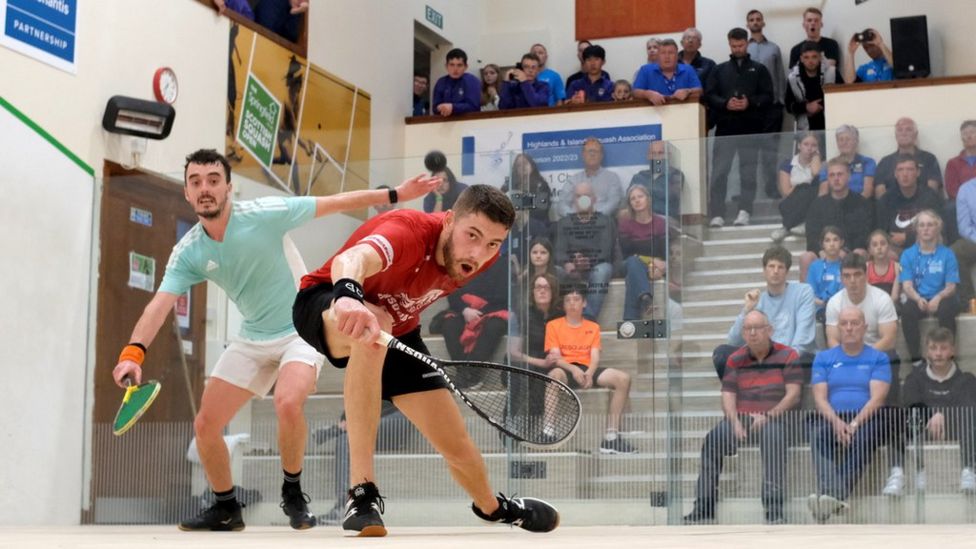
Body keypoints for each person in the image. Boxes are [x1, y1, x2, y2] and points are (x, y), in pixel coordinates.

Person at [111, 149, 438, 532]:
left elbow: (333, 202)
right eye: (196, 181)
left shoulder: (263, 214)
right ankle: (226, 507)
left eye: (213, 180)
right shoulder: (188, 253)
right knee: (205, 425)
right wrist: (133, 353)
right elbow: (159, 304)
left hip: (299, 332)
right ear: (186, 192)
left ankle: (293, 493)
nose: (205, 188)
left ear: (228, 188)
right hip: (251, 337)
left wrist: (395, 194)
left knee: (287, 402)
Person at [292, 184, 559, 536]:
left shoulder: (482, 258)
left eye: (492, 243)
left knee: (458, 445)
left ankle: (494, 508)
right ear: (449, 221)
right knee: (374, 332)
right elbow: (350, 260)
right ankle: (361, 494)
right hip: (326, 301)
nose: (479, 252)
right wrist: (347, 298)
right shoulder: (408, 231)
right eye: (472, 235)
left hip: (399, 331)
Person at [684, 310, 803, 525]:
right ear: (743, 333)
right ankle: (703, 507)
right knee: (712, 440)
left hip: (776, 418)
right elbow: (727, 394)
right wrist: (734, 421)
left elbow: (793, 395)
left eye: (758, 328)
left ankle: (773, 509)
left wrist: (768, 415)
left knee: (773, 436)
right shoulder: (735, 358)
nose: (753, 333)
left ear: (770, 330)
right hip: (744, 418)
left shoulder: (788, 355)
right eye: (748, 329)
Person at [808, 307, 890, 523]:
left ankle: (832, 496)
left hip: (867, 418)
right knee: (818, 435)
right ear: (837, 328)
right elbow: (819, 399)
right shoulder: (824, 358)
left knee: (864, 438)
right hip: (832, 417)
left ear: (865, 327)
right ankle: (834, 495)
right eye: (844, 323)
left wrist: (853, 425)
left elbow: (877, 399)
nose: (849, 327)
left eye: (854, 323)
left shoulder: (879, 358)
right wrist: (836, 422)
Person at [544, 285, 636, 454]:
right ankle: (549, 432)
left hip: (588, 368)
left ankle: (611, 437)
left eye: (576, 299)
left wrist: (589, 373)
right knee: (553, 375)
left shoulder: (592, 327)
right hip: (566, 368)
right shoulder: (553, 325)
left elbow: (594, 356)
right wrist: (573, 370)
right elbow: (556, 357)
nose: (572, 304)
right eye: (568, 300)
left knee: (623, 379)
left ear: (584, 303)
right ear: (563, 305)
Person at [887, 328, 976, 495]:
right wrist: (931, 415)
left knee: (971, 416)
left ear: (952, 350)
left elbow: (969, 406)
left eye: (943, 348)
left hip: (958, 428)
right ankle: (897, 473)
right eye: (934, 348)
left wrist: (943, 416)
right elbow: (910, 403)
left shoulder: (967, 379)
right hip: (921, 428)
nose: (938, 353)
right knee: (897, 417)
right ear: (927, 351)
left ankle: (969, 471)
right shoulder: (915, 378)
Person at [712, 246, 816, 379]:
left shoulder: (803, 292)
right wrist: (747, 310)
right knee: (722, 353)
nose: (776, 271)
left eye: (780, 267)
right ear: (764, 270)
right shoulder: (758, 300)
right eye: (771, 266)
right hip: (764, 359)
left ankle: (763, 378)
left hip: (792, 359)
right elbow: (733, 341)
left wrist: (778, 362)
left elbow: (803, 341)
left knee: (807, 360)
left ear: (787, 271)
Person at [705, 27, 774, 228]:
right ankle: (717, 213)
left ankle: (745, 211)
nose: (737, 49)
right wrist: (725, 103)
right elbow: (710, 95)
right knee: (719, 172)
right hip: (725, 128)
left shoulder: (759, 69)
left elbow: (768, 96)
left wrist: (749, 103)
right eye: (734, 46)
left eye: (741, 45)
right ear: (729, 44)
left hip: (751, 128)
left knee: (748, 172)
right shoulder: (719, 70)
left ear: (747, 43)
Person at [825, 253, 899, 402]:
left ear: (866, 275)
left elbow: (889, 340)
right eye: (847, 276)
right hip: (845, 355)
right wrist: (849, 358)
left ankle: (890, 417)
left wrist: (863, 358)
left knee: (891, 358)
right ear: (841, 278)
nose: (852, 281)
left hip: (875, 353)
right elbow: (832, 340)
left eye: (857, 274)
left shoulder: (882, 299)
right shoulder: (834, 302)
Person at [899, 209, 961, 365]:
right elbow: (906, 285)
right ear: (917, 230)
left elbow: (951, 286)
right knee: (907, 311)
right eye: (922, 225)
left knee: (947, 309)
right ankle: (916, 360)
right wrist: (918, 298)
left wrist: (938, 297)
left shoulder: (947, 254)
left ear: (937, 228)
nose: (926, 229)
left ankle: (948, 357)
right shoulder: (907, 254)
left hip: (943, 296)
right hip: (918, 296)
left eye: (930, 225)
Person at [553, 181, 621, 320]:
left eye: (587, 196)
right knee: (554, 271)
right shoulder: (563, 223)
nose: (583, 200)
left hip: (596, 268)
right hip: (571, 270)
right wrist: (568, 263)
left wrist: (588, 262)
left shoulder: (606, 221)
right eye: (578, 196)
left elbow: (606, 251)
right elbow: (559, 251)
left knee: (603, 269)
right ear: (574, 200)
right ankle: (557, 319)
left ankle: (587, 318)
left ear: (594, 199)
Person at [800, 158, 872, 280]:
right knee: (806, 257)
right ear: (827, 178)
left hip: (851, 252)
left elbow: (865, 235)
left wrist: (845, 251)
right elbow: (811, 235)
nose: (836, 178)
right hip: (824, 252)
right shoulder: (817, 205)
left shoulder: (862, 204)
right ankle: (806, 298)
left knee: (860, 253)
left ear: (849, 176)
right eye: (832, 175)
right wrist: (822, 251)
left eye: (840, 174)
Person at [438, 258, 510, 371]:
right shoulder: (462, 261)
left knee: (494, 327)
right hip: (463, 310)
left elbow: (504, 296)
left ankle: (472, 373)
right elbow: (451, 290)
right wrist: (465, 310)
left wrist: (481, 314)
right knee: (449, 326)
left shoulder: (502, 263)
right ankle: (463, 372)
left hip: (492, 312)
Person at [507, 272, 562, 420]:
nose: (542, 291)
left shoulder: (561, 315)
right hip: (522, 363)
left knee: (542, 378)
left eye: (546, 287)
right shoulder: (520, 315)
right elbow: (513, 353)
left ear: (553, 291)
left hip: (548, 364)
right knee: (525, 373)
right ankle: (509, 425)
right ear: (532, 291)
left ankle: (534, 428)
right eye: (538, 287)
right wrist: (540, 362)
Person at [746, 9, 787, 198]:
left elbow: (780, 76)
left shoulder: (774, 48)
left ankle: (772, 188)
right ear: (748, 24)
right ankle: (749, 192)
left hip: (772, 106)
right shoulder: (743, 48)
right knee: (750, 152)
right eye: (751, 20)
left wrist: (780, 102)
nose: (755, 22)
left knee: (771, 150)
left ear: (763, 23)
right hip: (750, 108)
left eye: (758, 19)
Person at [875, 156, 944, 255]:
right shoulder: (886, 199)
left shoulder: (930, 197)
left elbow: (938, 229)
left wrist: (907, 238)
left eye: (910, 169)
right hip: (895, 249)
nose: (905, 174)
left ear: (918, 172)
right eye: (900, 170)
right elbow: (881, 232)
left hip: (925, 245)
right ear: (895, 174)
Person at [619, 184, 669, 320]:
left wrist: (658, 267)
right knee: (633, 262)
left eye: (640, 196)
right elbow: (627, 255)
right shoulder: (625, 224)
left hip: (649, 268)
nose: (637, 200)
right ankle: (646, 297)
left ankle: (631, 319)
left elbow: (665, 254)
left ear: (648, 199)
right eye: (633, 198)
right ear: (630, 204)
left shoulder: (660, 223)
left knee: (632, 278)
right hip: (628, 263)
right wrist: (652, 261)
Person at [874, 118, 943, 199]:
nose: (904, 133)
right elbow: (880, 193)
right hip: (892, 208)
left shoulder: (929, 159)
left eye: (908, 130)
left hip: (923, 207)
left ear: (916, 134)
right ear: (896, 135)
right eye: (900, 130)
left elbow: (932, 190)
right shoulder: (885, 162)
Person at [556, 137, 624, 218]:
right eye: (589, 151)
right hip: (575, 225)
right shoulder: (573, 180)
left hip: (602, 223)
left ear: (601, 155)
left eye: (595, 151)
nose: (592, 154)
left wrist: (593, 217)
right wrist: (574, 217)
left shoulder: (612, 178)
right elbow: (561, 204)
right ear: (583, 155)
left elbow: (613, 203)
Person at [772, 132, 821, 242]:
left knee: (814, 187)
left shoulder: (821, 164)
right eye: (806, 144)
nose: (809, 148)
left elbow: (816, 173)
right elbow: (786, 192)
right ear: (799, 146)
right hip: (791, 203)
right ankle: (794, 226)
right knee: (804, 188)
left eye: (814, 145)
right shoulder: (787, 164)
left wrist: (816, 157)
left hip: (812, 206)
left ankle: (786, 227)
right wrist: (802, 186)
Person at [785, 42, 838, 133]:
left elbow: (841, 99)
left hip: (830, 125)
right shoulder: (792, 78)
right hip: (805, 128)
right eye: (806, 57)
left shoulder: (832, 72)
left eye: (814, 57)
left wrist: (820, 106)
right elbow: (789, 106)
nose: (810, 61)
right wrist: (806, 107)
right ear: (801, 59)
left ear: (820, 57)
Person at [632, 38, 702, 106]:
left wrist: (688, 91)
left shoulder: (688, 69)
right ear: (658, 56)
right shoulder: (645, 70)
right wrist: (648, 94)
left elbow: (699, 90)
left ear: (677, 56)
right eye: (663, 53)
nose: (667, 57)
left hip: (683, 112)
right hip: (654, 113)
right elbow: (635, 92)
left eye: (671, 53)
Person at [628, 140, 684, 220]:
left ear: (668, 155)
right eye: (653, 153)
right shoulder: (639, 176)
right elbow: (629, 197)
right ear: (648, 156)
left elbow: (670, 195)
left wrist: (643, 191)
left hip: (665, 220)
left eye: (660, 153)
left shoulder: (676, 174)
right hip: (641, 219)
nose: (656, 156)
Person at [816, 125, 875, 199]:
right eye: (841, 140)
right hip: (835, 205)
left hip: (860, 205)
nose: (844, 142)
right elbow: (823, 192)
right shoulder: (829, 165)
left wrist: (855, 206)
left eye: (848, 139)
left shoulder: (867, 162)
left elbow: (868, 191)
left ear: (856, 141)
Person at [502, 152, 552, 226]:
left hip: (536, 226)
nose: (523, 167)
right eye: (519, 165)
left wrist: (521, 211)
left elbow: (542, 209)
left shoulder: (541, 185)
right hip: (513, 226)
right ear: (516, 170)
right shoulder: (509, 185)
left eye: (525, 163)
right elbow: (499, 203)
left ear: (531, 166)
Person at [807, 226, 845, 319]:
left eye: (835, 240)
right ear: (822, 244)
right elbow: (810, 294)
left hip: (843, 307)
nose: (832, 244)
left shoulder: (846, 266)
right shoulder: (815, 267)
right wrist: (824, 303)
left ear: (841, 242)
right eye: (827, 240)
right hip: (822, 308)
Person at [432, 48, 481, 117]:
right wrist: (440, 108)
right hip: (444, 124)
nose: (455, 69)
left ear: (466, 67)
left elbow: (474, 106)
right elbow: (435, 108)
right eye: (452, 65)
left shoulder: (472, 80)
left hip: (468, 123)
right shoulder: (441, 82)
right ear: (446, 66)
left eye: (459, 65)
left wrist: (453, 107)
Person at [952, 177, 976, 305]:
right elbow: (964, 227)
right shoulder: (966, 190)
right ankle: (970, 301)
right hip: (975, 240)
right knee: (955, 252)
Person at [866, 230, 901, 303]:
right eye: (875, 245)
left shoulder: (896, 267)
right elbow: (866, 295)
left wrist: (885, 308)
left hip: (891, 304)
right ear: (870, 250)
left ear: (889, 247)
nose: (879, 247)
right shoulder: (866, 267)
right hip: (872, 304)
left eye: (882, 244)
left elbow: (894, 296)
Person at [944, 120, 976, 201]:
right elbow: (952, 190)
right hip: (963, 203)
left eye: (972, 132)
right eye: (965, 133)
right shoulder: (953, 163)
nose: (969, 136)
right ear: (961, 138)